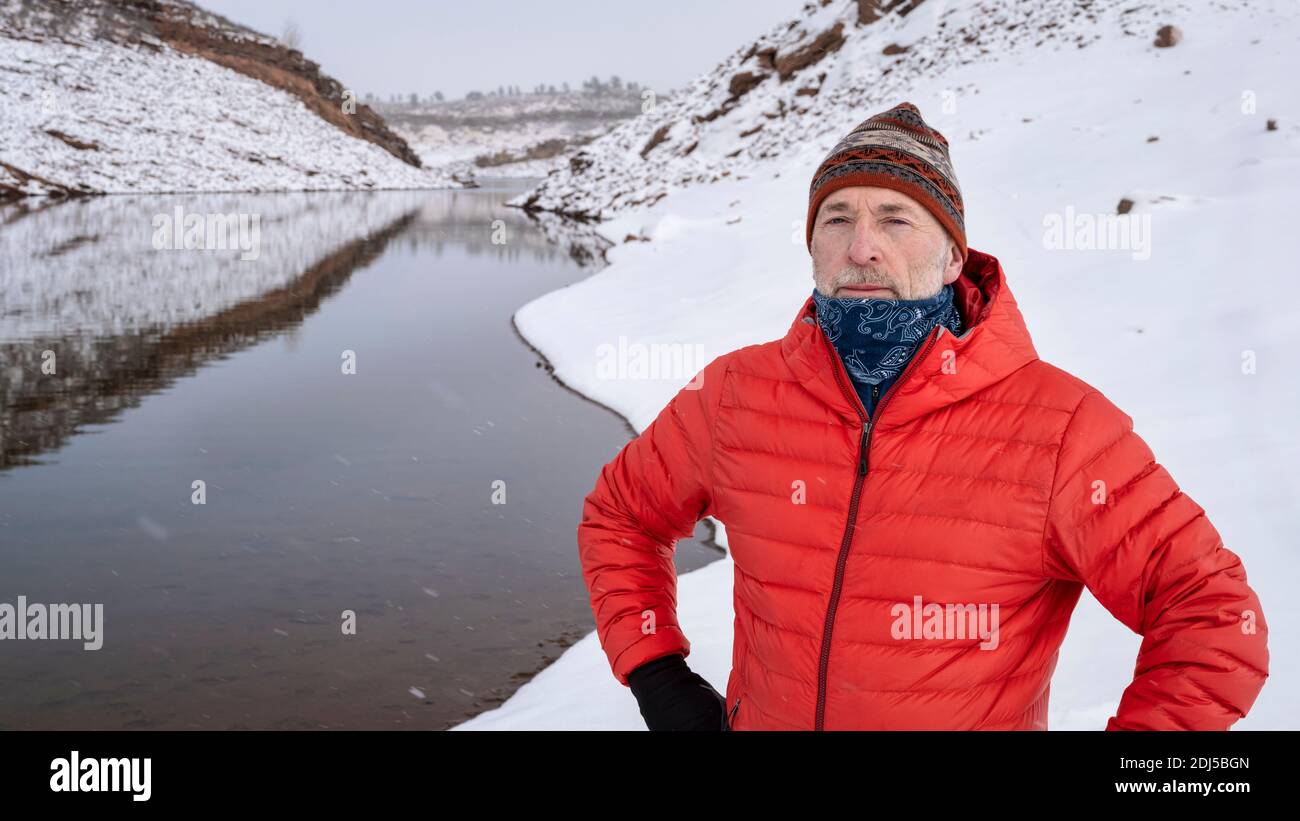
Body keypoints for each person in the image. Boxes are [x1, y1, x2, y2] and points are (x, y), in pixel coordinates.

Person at [577, 102, 1269, 730]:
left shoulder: (1061, 429)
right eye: (837, 217)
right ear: (812, 244)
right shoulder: (734, 393)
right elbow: (621, 516)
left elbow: (1214, 618)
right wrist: (658, 677)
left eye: (896, 218)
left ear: (952, 257)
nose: (862, 246)